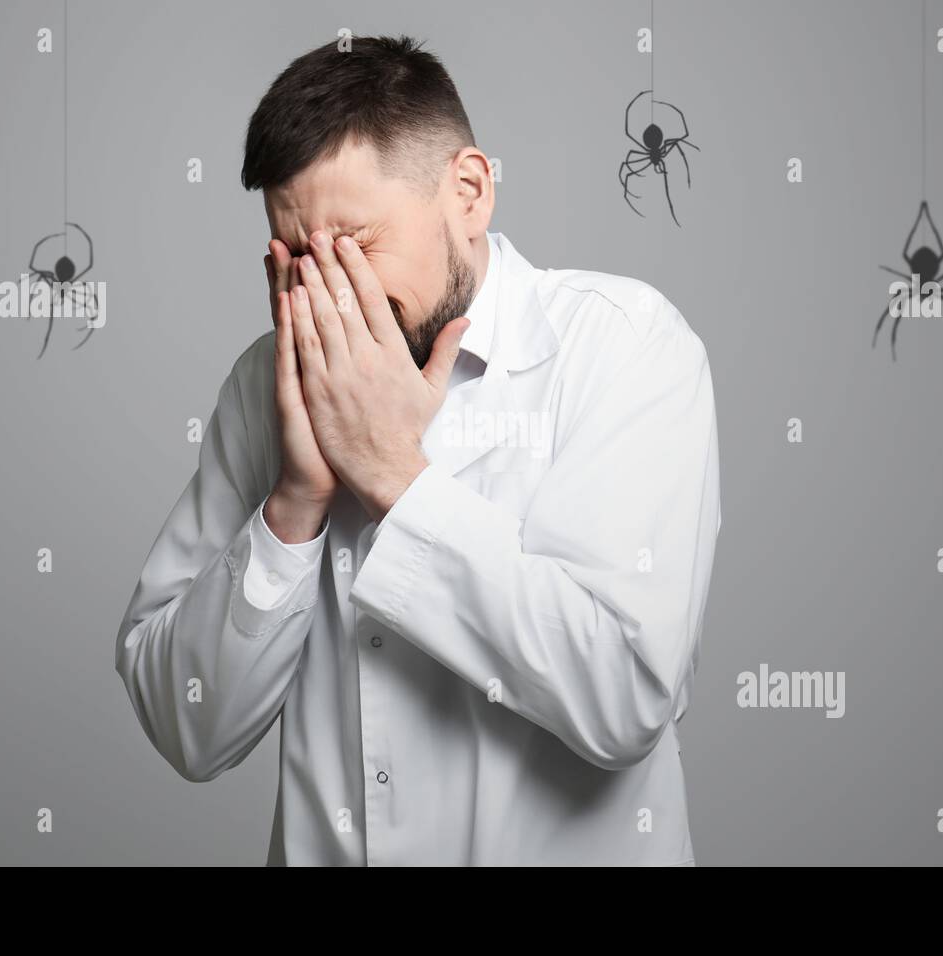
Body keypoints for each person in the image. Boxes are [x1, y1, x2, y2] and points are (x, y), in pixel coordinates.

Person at [115, 35, 722, 866]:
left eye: (355, 246)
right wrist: (293, 505)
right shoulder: (268, 384)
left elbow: (623, 699)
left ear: (468, 192)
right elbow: (186, 726)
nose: (324, 294)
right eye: (295, 258)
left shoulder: (622, 346)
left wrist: (392, 474)